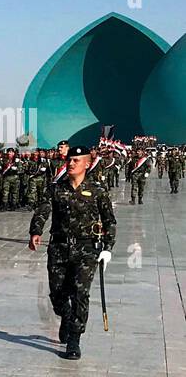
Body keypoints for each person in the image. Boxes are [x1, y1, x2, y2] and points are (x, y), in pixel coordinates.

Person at [28, 142, 116, 360]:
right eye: (69, 160)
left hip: (86, 248)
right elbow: (43, 210)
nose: (71, 163)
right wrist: (35, 231)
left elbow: (109, 221)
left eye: (76, 160)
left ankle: (74, 339)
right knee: (57, 294)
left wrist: (108, 248)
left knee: (80, 293)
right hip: (58, 247)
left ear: (86, 163)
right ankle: (65, 316)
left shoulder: (97, 191)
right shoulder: (56, 188)